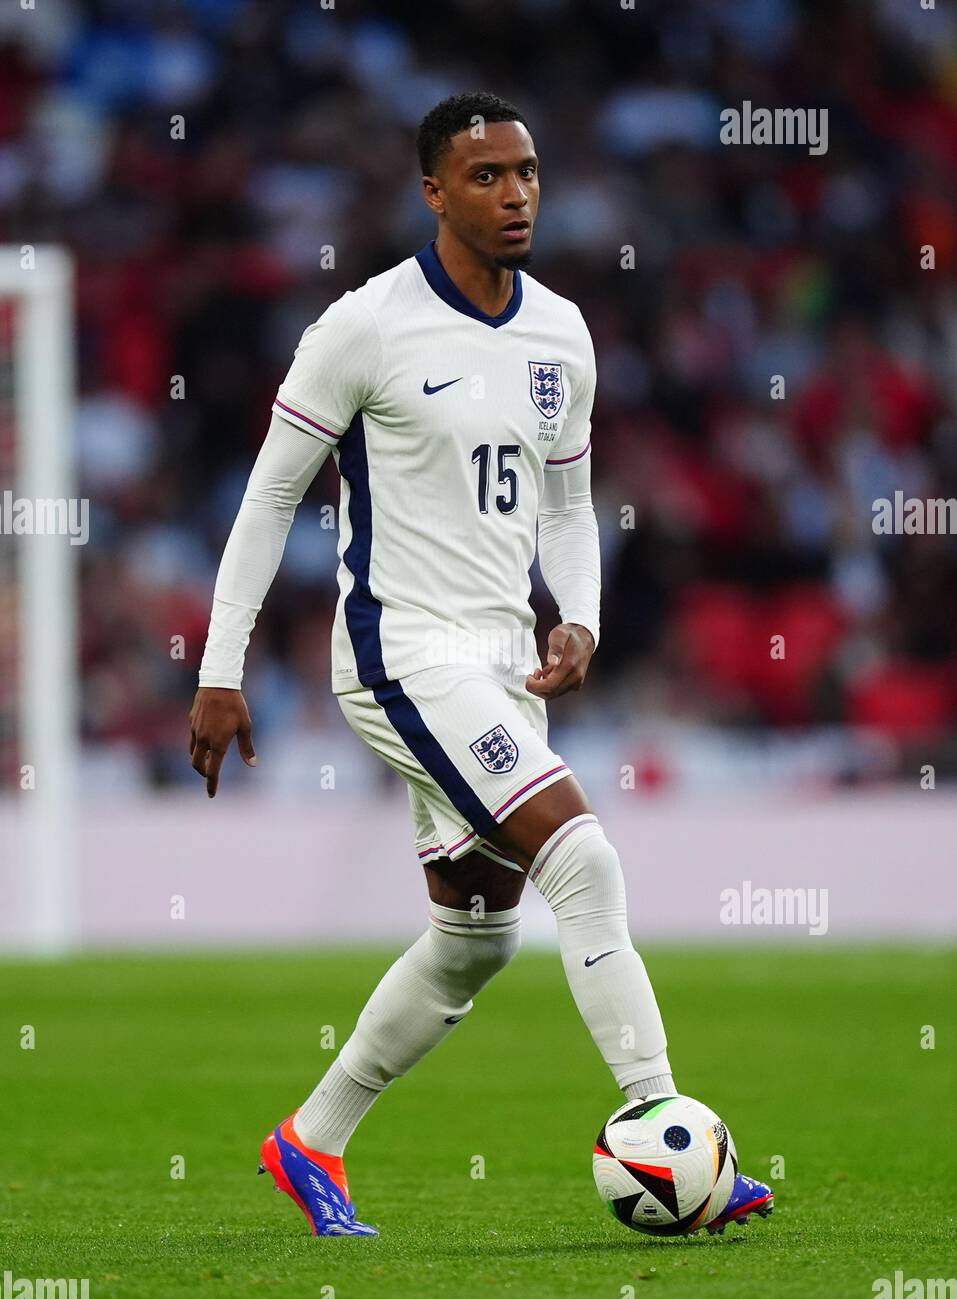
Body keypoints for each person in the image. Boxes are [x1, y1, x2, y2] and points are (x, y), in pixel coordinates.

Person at [190, 91, 773, 1238]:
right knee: (584, 857)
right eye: (488, 177)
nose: (515, 195)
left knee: (476, 937)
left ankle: (310, 1140)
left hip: (503, 664)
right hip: (400, 653)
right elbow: (268, 500)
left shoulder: (562, 331)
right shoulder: (362, 327)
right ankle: (666, 1127)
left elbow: (566, 503)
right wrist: (220, 663)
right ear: (434, 193)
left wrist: (583, 618)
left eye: (529, 173)